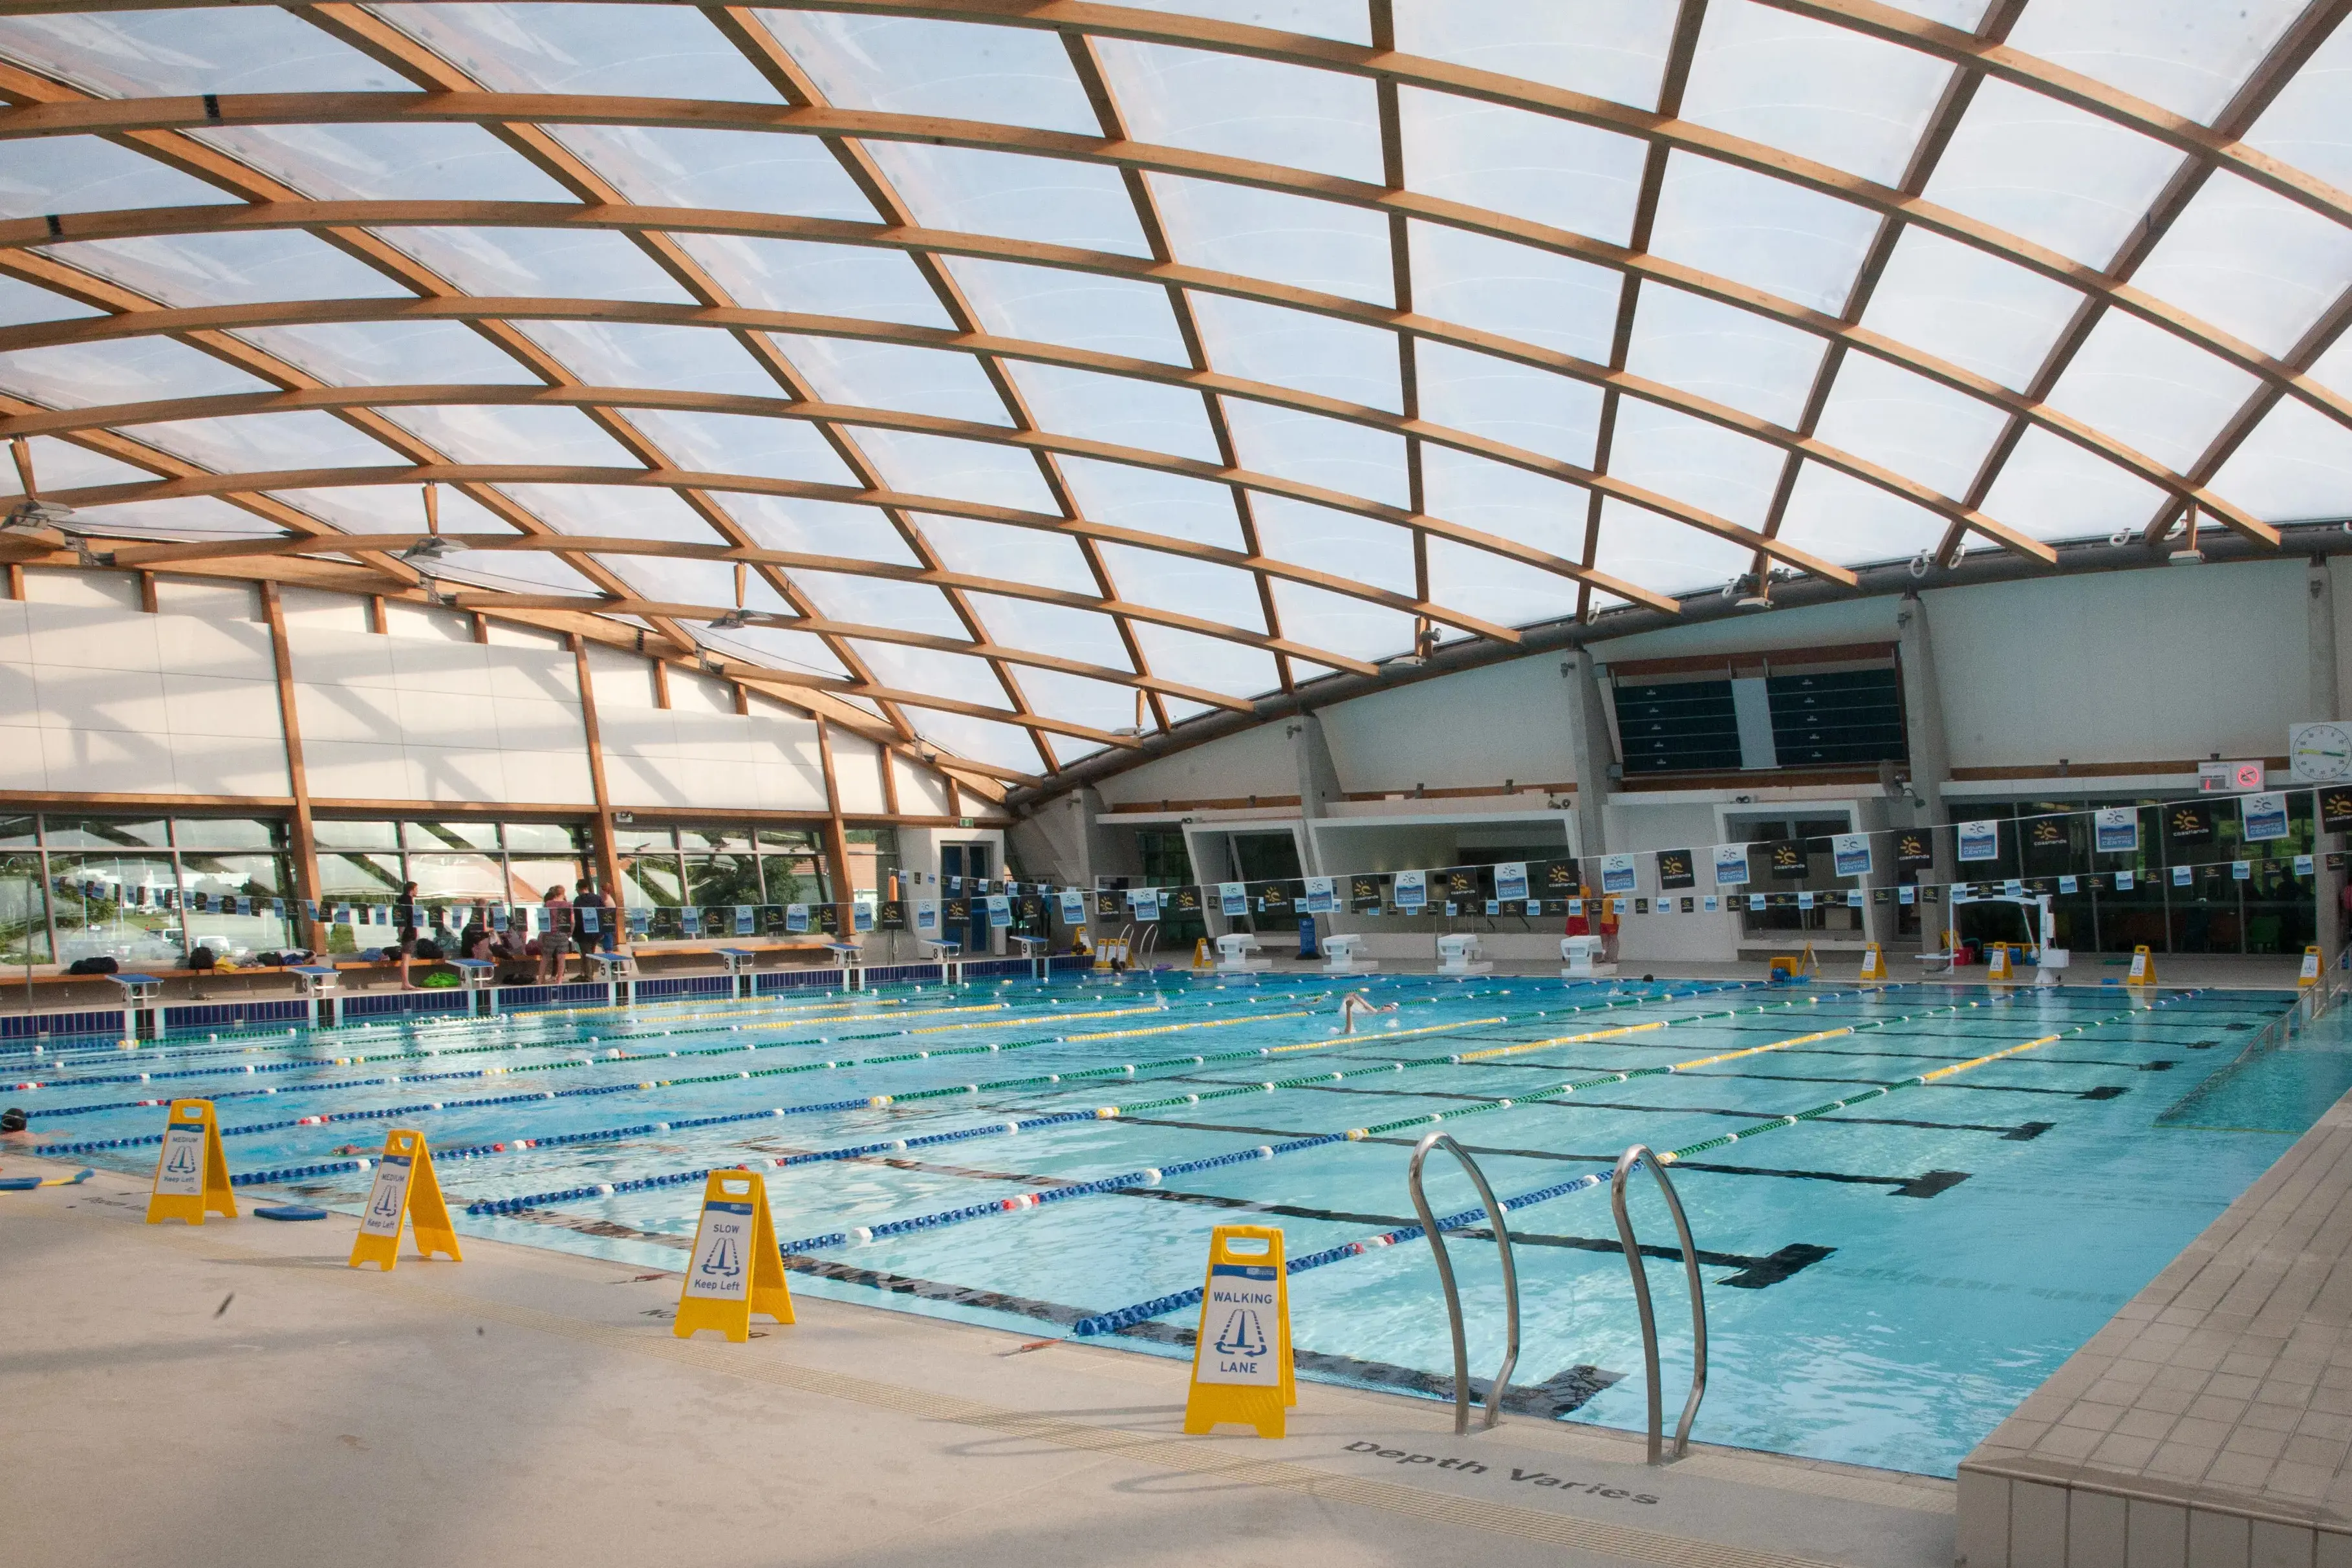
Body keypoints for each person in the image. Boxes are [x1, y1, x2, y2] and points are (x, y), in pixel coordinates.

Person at [574, 878, 614, 965]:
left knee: (586, 954)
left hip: (583, 932)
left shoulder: (578, 900)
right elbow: (602, 914)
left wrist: (575, 934)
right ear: (587, 887)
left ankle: (588, 972)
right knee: (591, 953)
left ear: (578, 888)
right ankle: (588, 971)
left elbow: (577, 917)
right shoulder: (597, 898)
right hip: (595, 931)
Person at [539, 885, 572, 983]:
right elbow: (573, 921)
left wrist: (543, 934)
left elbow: (544, 919)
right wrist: (570, 933)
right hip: (563, 933)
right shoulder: (568, 905)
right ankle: (559, 979)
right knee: (561, 958)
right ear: (563, 893)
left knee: (545, 958)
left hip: (550, 933)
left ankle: (541, 979)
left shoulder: (548, 904)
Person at [394, 880, 421, 990]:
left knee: (407, 957)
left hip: (407, 933)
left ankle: (406, 982)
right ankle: (405, 983)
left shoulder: (402, 901)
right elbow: (403, 921)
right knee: (406, 958)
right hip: (408, 933)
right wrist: (402, 935)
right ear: (411, 890)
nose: (417, 891)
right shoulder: (407, 903)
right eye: (416, 889)